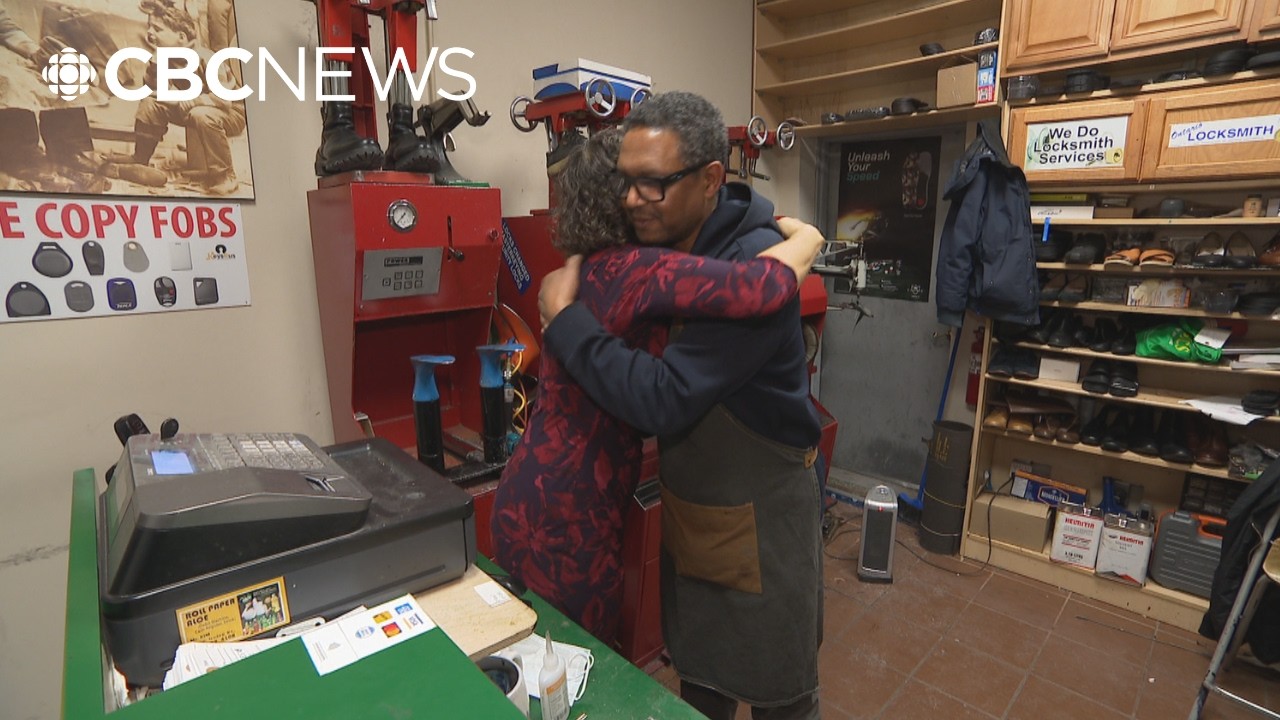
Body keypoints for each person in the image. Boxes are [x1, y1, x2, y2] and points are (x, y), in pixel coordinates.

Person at [537, 92, 824, 719]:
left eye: (653, 184)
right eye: (626, 182)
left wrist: (566, 322)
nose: (633, 200)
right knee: (701, 682)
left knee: (782, 697)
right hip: (702, 510)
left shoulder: (745, 261)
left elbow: (661, 398)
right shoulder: (673, 254)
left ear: (711, 179)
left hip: (761, 517)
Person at [131, 0, 246, 195]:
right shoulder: (165, 58)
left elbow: (224, 100)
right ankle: (140, 159)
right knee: (150, 104)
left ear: (181, 37)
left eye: (158, 29)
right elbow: (154, 93)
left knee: (202, 115)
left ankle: (225, 175)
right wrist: (154, 67)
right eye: (149, 27)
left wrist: (189, 100)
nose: (150, 32)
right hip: (193, 109)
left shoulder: (206, 58)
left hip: (231, 113)